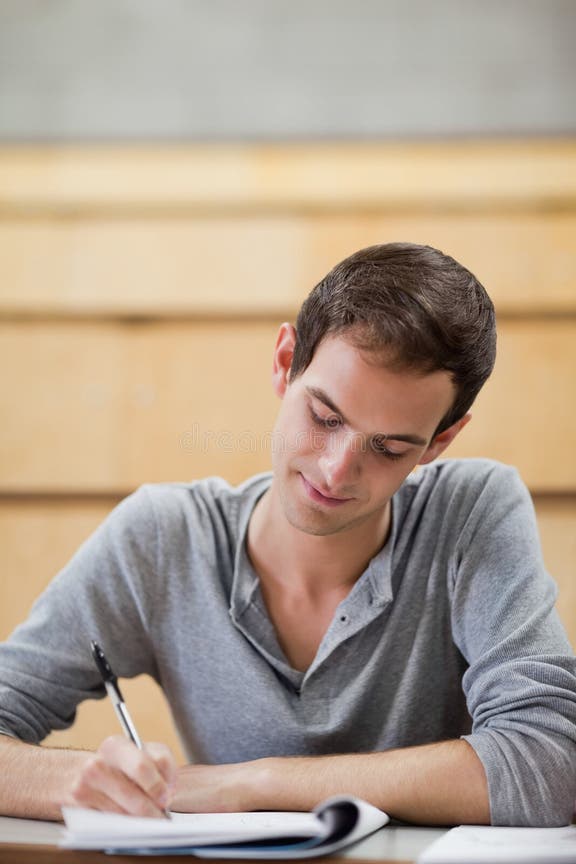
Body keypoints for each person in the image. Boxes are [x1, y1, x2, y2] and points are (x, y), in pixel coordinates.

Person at [0, 243, 575, 828]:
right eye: (325, 417)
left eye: (391, 446)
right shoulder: (162, 539)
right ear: (284, 361)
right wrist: (83, 782)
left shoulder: (471, 512)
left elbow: (552, 762)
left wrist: (254, 783)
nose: (335, 470)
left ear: (440, 441)